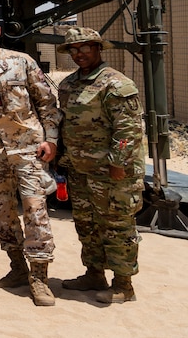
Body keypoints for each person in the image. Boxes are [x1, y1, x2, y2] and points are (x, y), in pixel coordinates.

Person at [0, 11, 61, 306]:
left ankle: (40, 277)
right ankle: (18, 266)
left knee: (35, 209)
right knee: (0, 212)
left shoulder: (21, 62)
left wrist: (51, 139)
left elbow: (47, 102)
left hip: (28, 148)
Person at [57, 27, 146, 304]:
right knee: (87, 225)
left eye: (84, 48)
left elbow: (128, 130)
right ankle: (94, 273)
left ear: (98, 48)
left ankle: (123, 284)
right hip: (80, 169)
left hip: (112, 173)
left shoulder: (116, 84)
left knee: (117, 226)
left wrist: (118, 163)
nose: (79, 54)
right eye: (73, 49)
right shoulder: (69, 84)